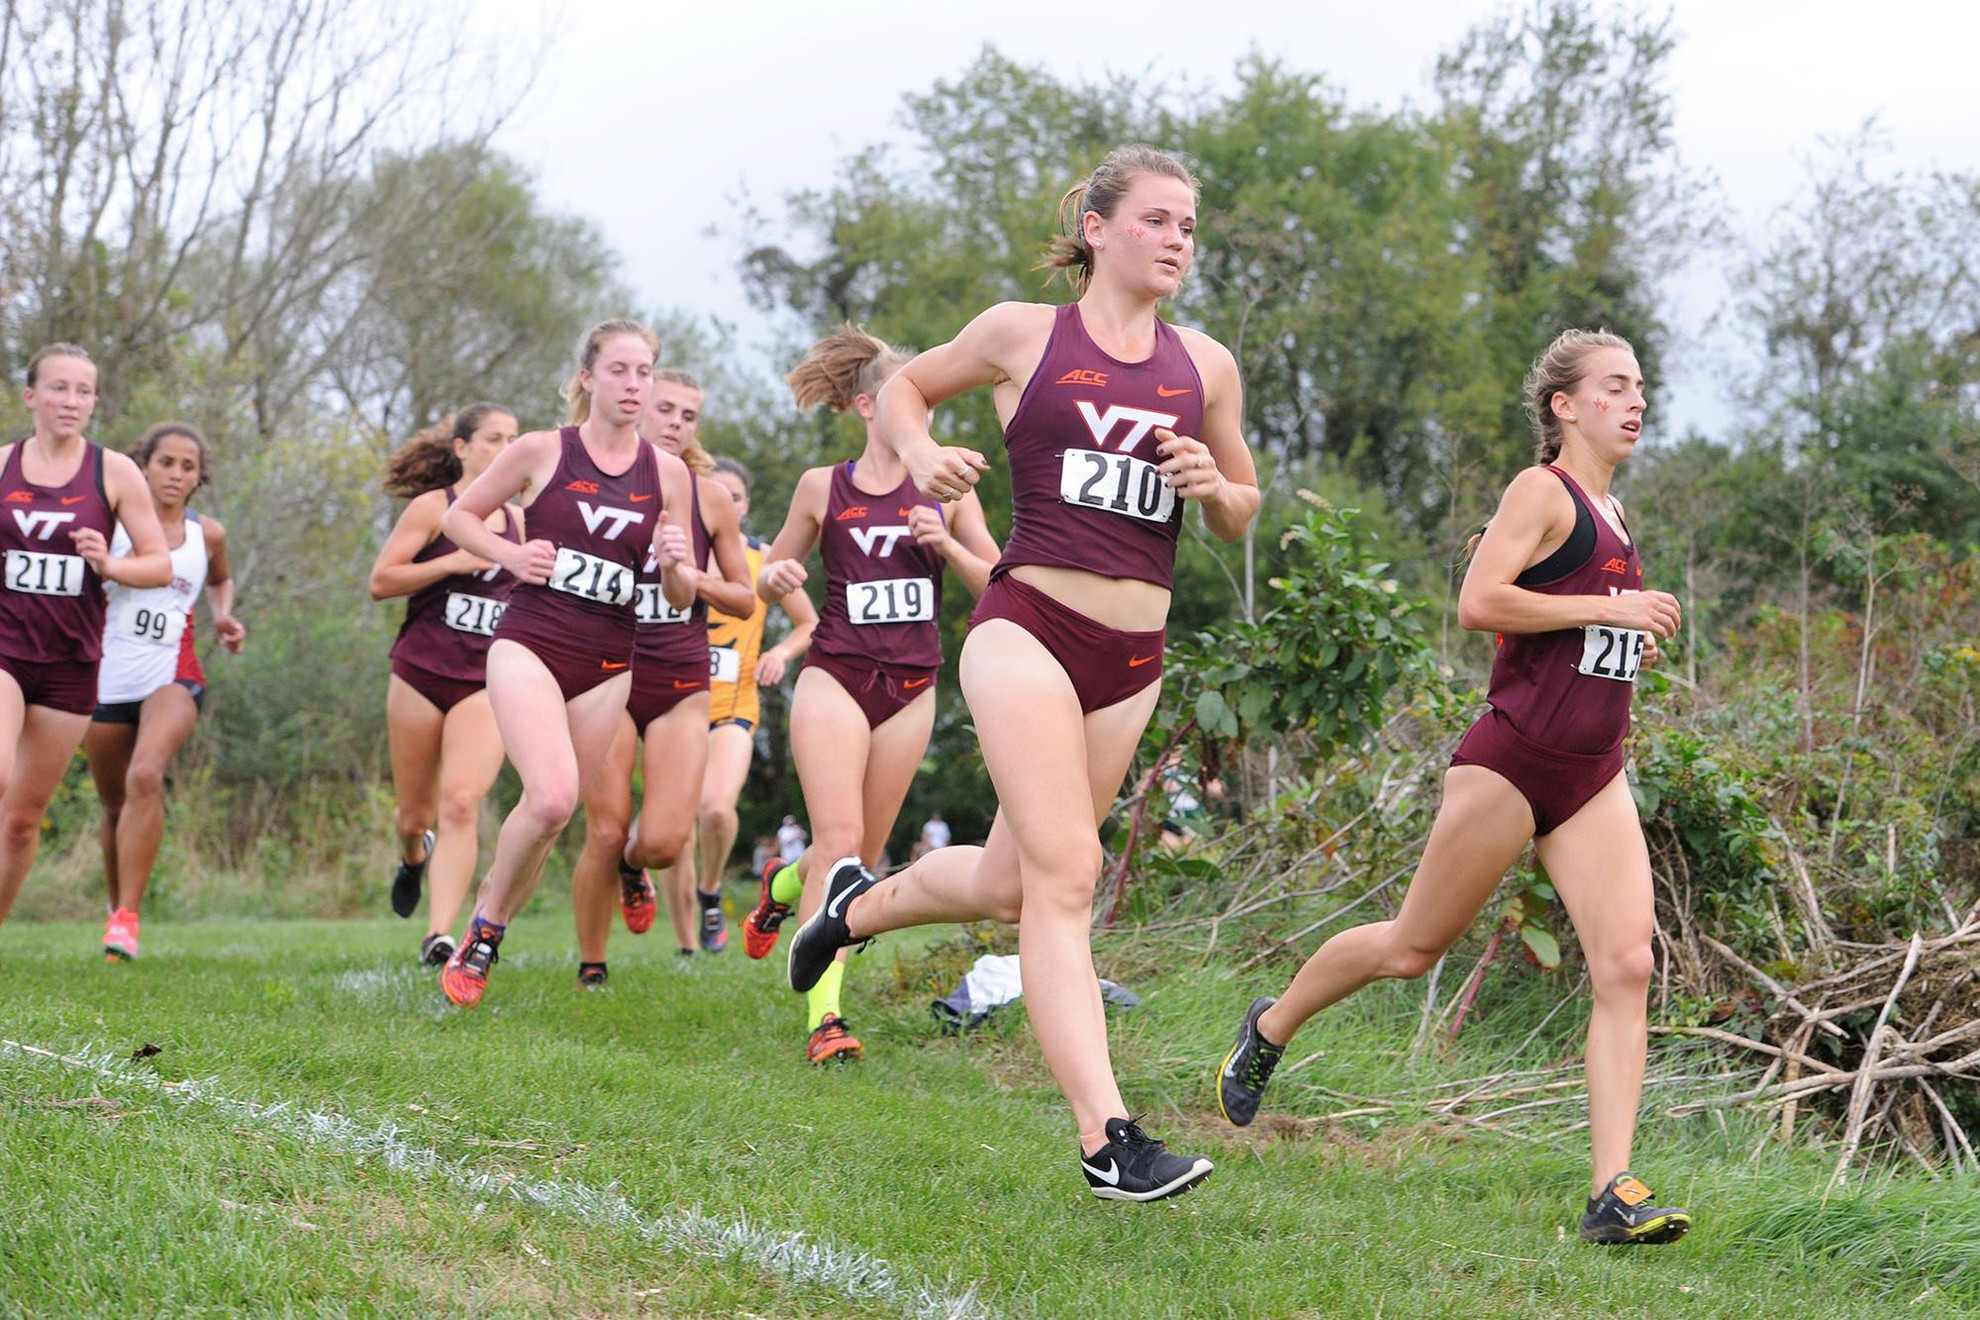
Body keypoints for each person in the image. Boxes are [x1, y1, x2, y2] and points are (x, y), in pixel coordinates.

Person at [775, 146, 1259, 1201]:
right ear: (1097, 227)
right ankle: (1110, 1140)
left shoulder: (1206, 365)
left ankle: (847, 910)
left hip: (1131, 659)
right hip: (1027, 625)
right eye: (1159, 220)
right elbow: (905, 387)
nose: (1180, 240)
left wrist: (1213, 483)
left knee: (1007, 881)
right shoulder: (1021, 334)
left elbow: (1241, 507)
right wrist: (920, 455)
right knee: (1068, 877)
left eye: (1189, 226)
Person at [1215, 328, 1692, 1245]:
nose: (1636, 402)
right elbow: (1480, 602)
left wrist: (1622, 628)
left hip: (1594, 773)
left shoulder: (1617, 510)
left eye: (1641, 388)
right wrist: (1609, 607)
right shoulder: (1540, 491)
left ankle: (1611, 1193)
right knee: (1410, 948)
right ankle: (1271, 1026)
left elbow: (1580, 631)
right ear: (1564, 405)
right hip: (1510, 762)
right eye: (1615, 387)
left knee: (1627, 963)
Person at [739, 324, 1000, 1064]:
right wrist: (777, 579)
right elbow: (768, 574)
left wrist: (946, 545)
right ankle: (826, 1018)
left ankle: (784, 884)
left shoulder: (949, 488)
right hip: (837, 675)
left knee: (864, 854)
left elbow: (1000, 588)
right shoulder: (824, 486)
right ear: (866, 406)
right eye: (903, 397)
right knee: (843, 845)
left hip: (912, 687)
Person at [434, 320, 696, 1008]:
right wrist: (511, 556)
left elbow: (680, 592)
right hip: (532, 642)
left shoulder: (669, 473)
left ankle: (487, 925)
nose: (634, 384)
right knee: (550, 795)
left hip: (610, 660)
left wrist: (673, 566)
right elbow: (459, 519)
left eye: (645, 372)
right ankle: (482, 934)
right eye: (619, 370)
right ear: (587, 377)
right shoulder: (541, 450)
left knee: (554, 815)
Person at [568, 369, 753, 983]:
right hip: (605, 673)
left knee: (666, 843)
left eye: (688, 415)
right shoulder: (590, 482)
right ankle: (592, 967)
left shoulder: (709, 498)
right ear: (636, 409)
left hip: (678, 678)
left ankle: (632, 866)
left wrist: (689, 575)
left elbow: (743, 599)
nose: (675, 422)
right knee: (607, 823)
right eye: (664, 408)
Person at [0, 344, 172, 933]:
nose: (70, 401)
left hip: (70, 662)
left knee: (23, 820)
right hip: (4, 649)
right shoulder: (1, 465)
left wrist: (110, 565)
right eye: (57, 388)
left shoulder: (114, 471)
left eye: (83, 391)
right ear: (31, 397)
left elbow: (160, 566)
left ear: (94, 400)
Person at [366, 404, 521, 965]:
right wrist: (451, 563)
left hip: (483, 682)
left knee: (460, 803)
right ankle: (412, 857)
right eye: (491, 439)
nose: (504, 448)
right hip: (420, 675)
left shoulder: (524, 522)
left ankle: (439, 934)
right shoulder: (435, 507)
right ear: (461, 448)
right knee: (414, 816)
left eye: (513, 439)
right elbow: (382, 581)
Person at [84, 422, 243, 959]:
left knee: (146, 775)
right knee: (112, 805)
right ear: (143, 465)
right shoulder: (106, 526)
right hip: (103, 678)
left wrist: (223, 616)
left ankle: (129, 917)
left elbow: (219, 578)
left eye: (187, 466)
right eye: (166, 462)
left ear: (200, 477)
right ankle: (115, 914)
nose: (175, 474)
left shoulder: (208, 534)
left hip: (173, 675)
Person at [694, 456, 817, 928]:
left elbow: (809, 623)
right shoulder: (674, 554)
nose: (725, 503)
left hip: (733, 705)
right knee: (670, 832)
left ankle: (709, 891)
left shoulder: (762, 558)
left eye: (735, 496)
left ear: (744, 506)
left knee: (715, 809)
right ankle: (691, 933)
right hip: (673, 702)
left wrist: (780, 654)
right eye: (715, 493)